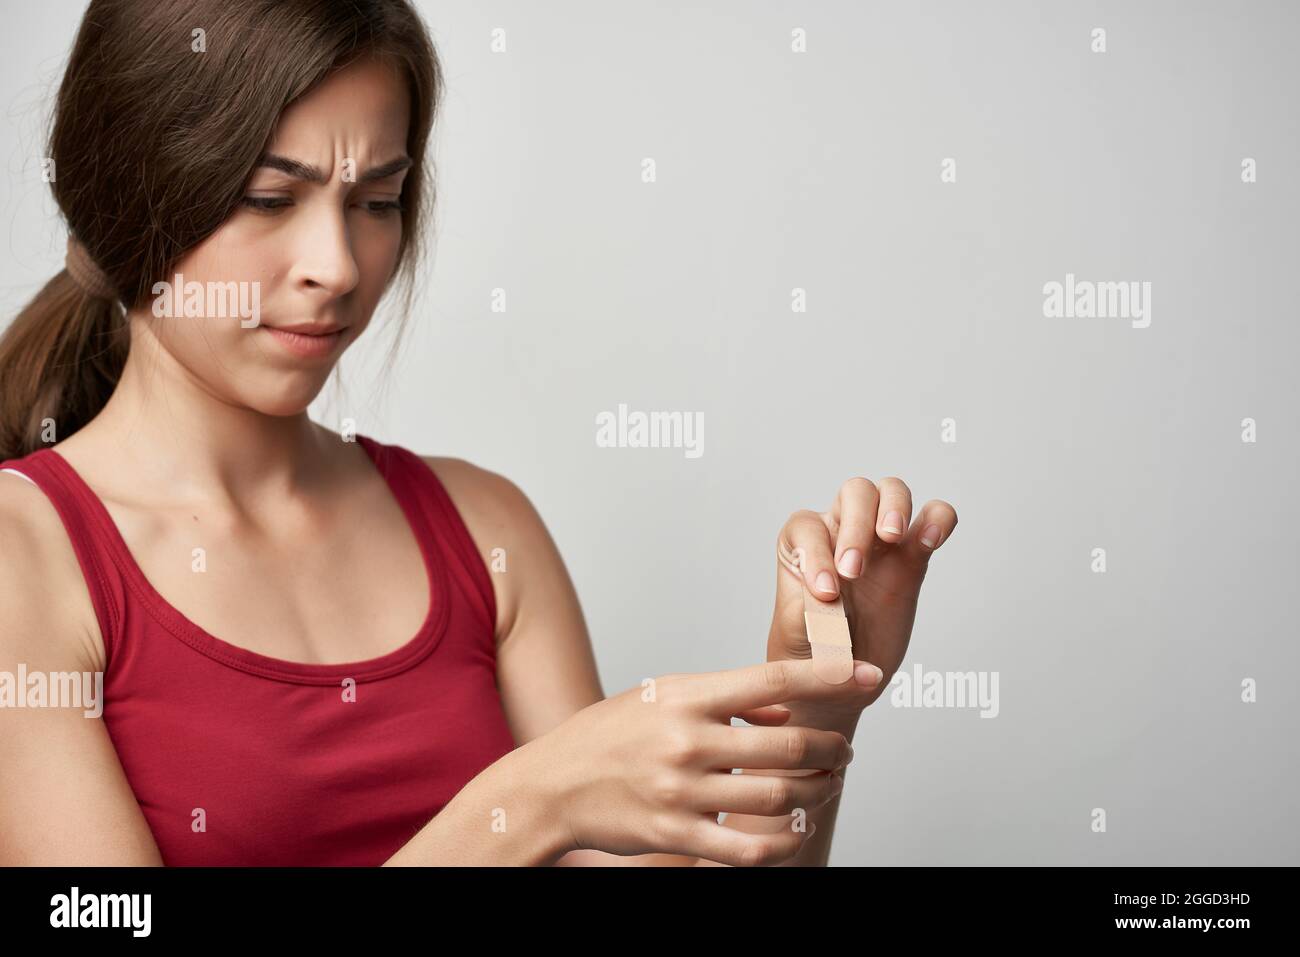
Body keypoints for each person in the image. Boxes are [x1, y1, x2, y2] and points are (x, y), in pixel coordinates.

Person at [0, 0, 956, 866]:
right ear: (121, 191)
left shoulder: (483, 526)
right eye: (268, 199)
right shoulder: (23, 557)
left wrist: (810, 700)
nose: (336, 265)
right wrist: (527, 803)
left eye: (377, 202)